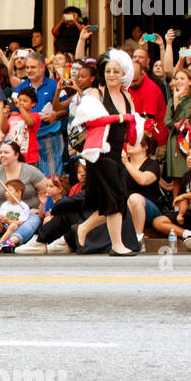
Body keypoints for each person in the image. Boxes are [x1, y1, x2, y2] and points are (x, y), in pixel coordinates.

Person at [73, 50, 139, 256]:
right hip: (100, 153)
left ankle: (82, 228)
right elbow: (90, 121)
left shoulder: (127, 96)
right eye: (108, 70)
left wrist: (133, 126)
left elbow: (131, 125)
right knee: (114, 199)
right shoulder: (96, 93)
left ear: (123, 73)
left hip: (117, 153)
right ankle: (117, 245)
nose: (111, 74)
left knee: (117, 201)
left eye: (116, 71)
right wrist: (121, 118)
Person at [17, 53, 63, 177]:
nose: (29, 70)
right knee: (31, 177)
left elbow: (67, 109)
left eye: (33, 67)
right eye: (27, 67)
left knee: (52, 176)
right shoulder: (20, 87)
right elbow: (14, 112)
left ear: (43, 68)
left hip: (50, 136)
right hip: (27, 139)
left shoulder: (55, 86)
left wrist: (56, 115)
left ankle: (51, 198)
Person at [163, 68, 191, 194]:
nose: (178, 81)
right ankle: (176, 209)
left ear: (190, 81)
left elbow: (180, 118)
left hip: (187, 140)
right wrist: (176, 98)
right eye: (176, 78)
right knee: (175, 178)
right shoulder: (172, 100)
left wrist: (177, 98)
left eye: (182, 78)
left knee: (188, 174)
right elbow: (167, 121)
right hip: (174, 140)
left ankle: (190, 206)